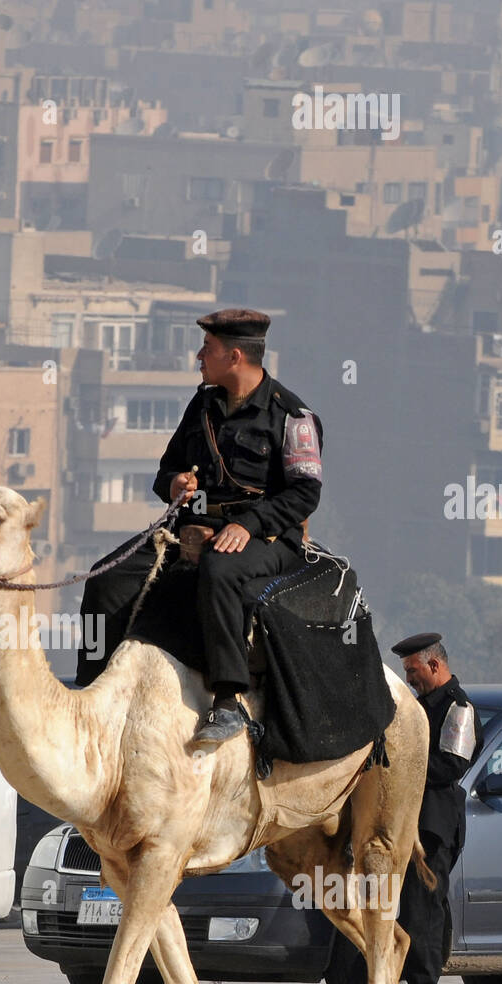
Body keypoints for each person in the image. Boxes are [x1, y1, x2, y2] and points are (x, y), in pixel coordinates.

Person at [75, 307, 323, 745]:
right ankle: (91, 682)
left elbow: (305, 494)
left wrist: (249, 524)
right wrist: (174, 484)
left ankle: (227, 700)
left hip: (266, 538)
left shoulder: (293, 416)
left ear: (235, 357)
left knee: (219, 571)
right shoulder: (202, 406)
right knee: (105, 579)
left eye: (207, 349)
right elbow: (164, 470)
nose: (198, 357)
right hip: (190, 530)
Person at [321, 632, 481, 984]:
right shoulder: (411, 708)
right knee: (373, 902)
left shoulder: (458, 709)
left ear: (435, 665)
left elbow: (452, 765)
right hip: (393, 824)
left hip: (430, 826)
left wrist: (397, 769)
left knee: (421, 908)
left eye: (413, 671)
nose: (409, 679)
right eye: (406, 672)